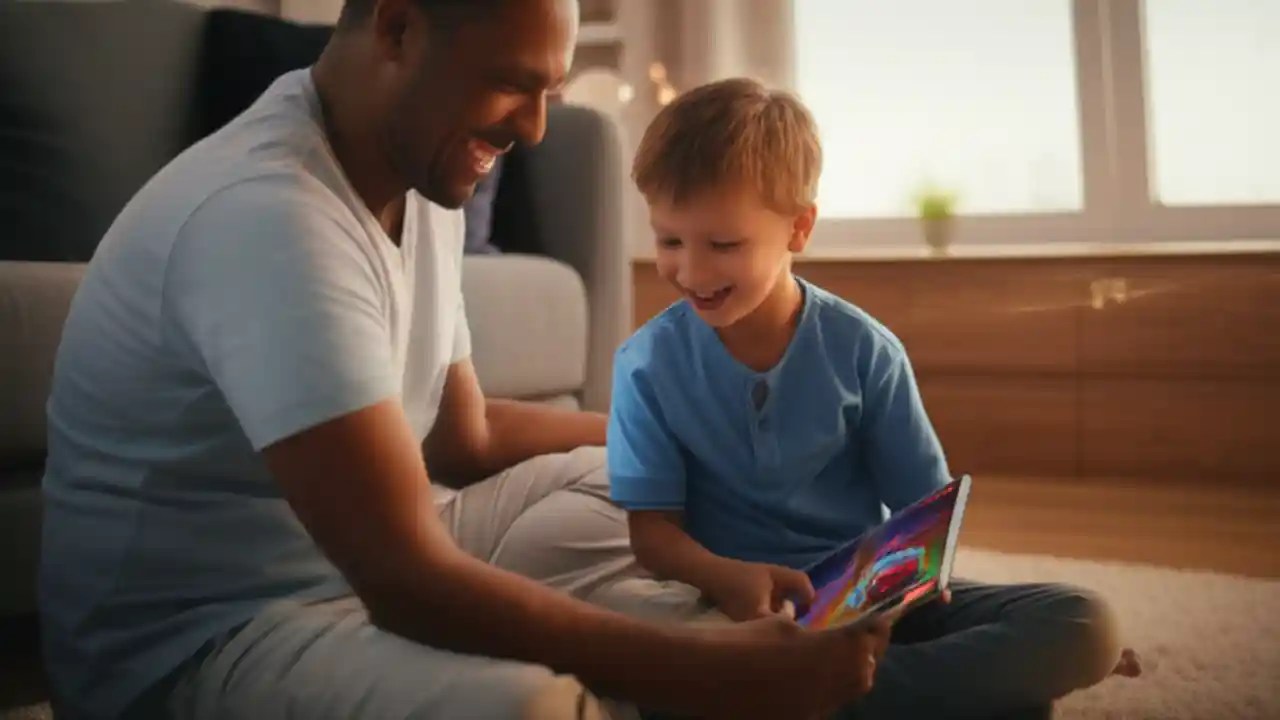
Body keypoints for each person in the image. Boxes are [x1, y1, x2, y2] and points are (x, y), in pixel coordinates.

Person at [37, 2, 896, 719]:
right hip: (205, 642)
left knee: (634, 471)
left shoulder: (422, 178)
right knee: (527, 707)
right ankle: (697, 656)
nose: (534, 127)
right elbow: (406, 581)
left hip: (358, 568)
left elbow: (464, 439)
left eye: (549, 91)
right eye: (512, 83)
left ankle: (695, 634)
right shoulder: (271, 217)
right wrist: (706, 673)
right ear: (399, 29)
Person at [607, 77, 1142, 720]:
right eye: (669, 241)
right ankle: (892, 695)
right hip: (732, 617)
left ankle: (830, 693)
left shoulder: (864, 350)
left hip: (873, 608)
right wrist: (728, 578)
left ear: (799, 227)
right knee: (648, 661)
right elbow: (653, 536)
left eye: (722, 245)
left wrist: (884, 603)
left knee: (1086, 623)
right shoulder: (643, 366)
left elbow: (924, 511)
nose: (690, 272)